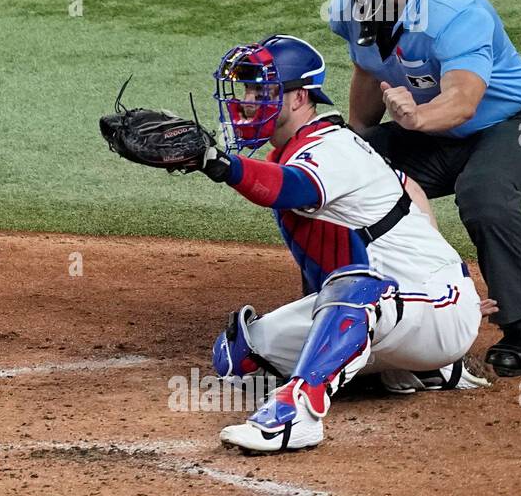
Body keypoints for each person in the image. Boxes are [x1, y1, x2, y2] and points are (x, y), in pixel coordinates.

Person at [177, 35, 487, 452]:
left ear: (299, 97)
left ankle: (296, 415)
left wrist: (221, 166)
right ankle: (418, 369)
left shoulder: (331, 146)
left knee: (354, 290)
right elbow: (408, 189)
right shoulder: (298, 150)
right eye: (246, 89)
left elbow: (290, 189)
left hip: (434, 309)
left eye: (261, 90)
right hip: (400, 311)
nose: (247, 101)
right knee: (240, 358)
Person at [328, 0, 521, 376]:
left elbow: (462, 101)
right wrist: (355, 144)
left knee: (486, 195)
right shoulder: (350, 1)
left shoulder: (455, 9)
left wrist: (415, 119)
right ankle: (354, 309)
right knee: (342, 181)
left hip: (513, 127)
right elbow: (367, 71)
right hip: (433, 137)